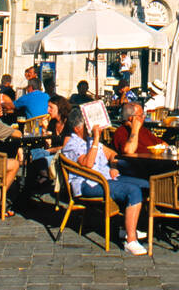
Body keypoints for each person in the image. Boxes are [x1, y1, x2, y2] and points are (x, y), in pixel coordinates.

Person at [61, 107, 151, 254]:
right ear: (77, 128)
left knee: (144, 184)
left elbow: (112, 154)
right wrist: (96, 139)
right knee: (132, 190)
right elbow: (88, 164)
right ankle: (131, 240)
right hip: (89, 183)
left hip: (105, 177)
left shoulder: (89, 140)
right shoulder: (72, 144)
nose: (90, 128)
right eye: (86, 125)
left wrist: (114, 166)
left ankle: (127, 227)